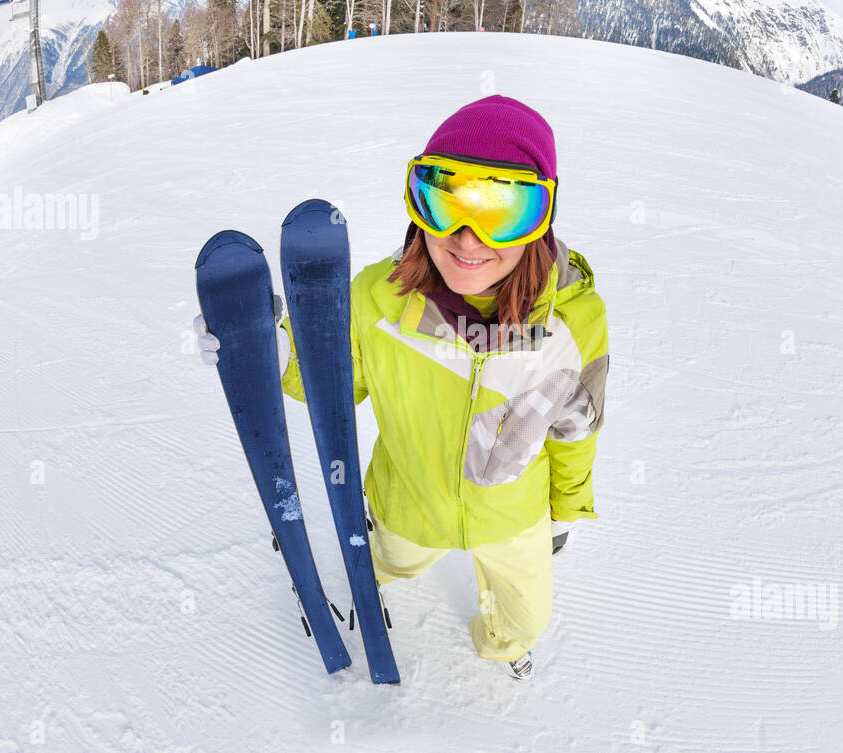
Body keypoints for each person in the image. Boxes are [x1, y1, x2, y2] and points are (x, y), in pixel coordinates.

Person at [195, 96, 608, 681]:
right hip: (407, 502)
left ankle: (503, 644)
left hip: (513, 515)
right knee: (389, 560)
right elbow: (331, 382)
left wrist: (565, 508)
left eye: (503, 210)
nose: (467, 240)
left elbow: (576, 428)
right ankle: (373, 583)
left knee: (523, 619)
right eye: (444, 202)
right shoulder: (379, 302)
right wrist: (271, 353)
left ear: (543, 218)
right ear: (418, 204)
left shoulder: (574, 321)